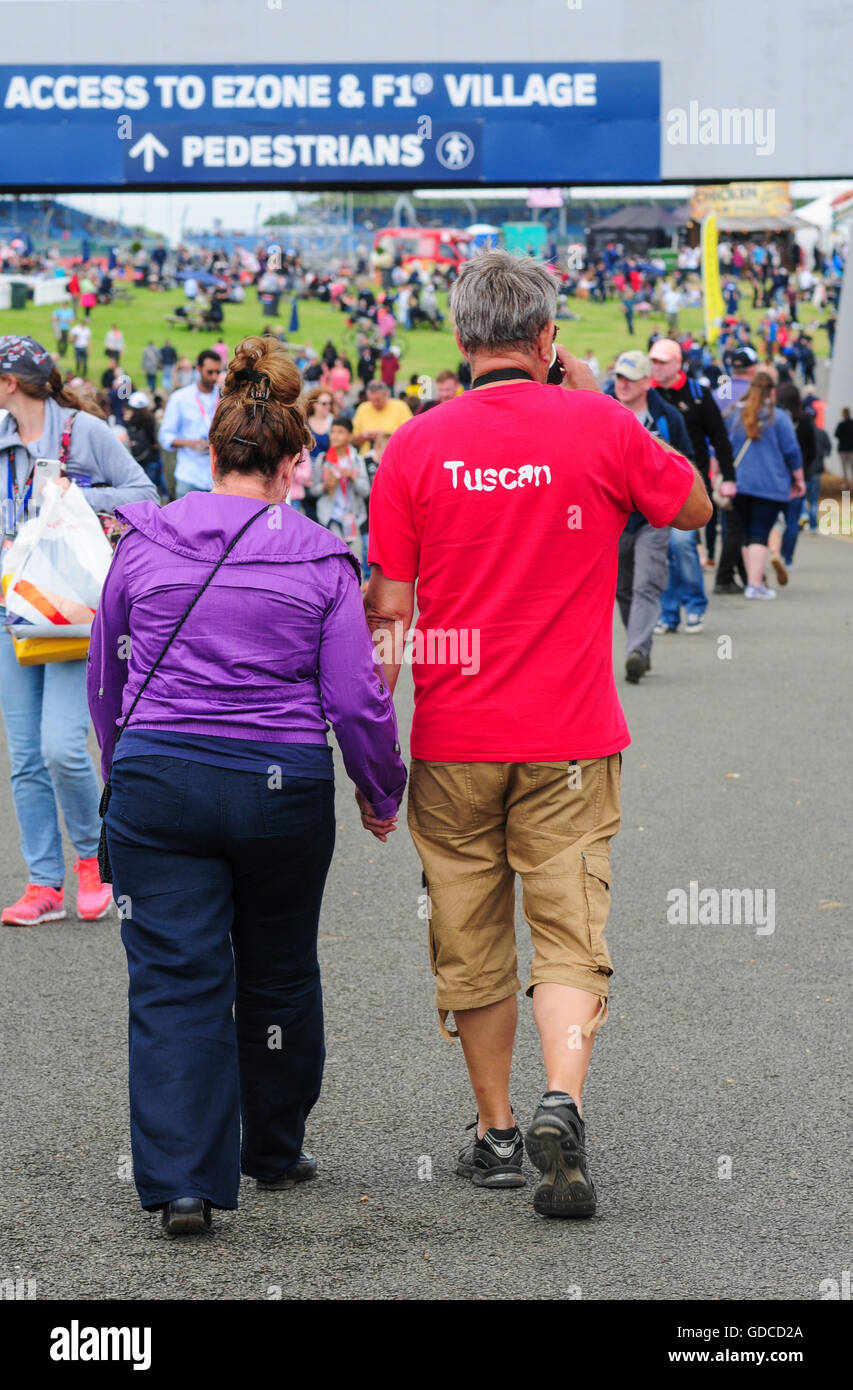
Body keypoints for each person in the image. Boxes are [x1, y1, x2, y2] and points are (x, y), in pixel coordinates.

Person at [365, 251, 709, 1218]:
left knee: (470, 938)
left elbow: (388, 610)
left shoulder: (413, 446)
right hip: (566, 735)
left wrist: (369, 755)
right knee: (568, 934)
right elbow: (690, 505)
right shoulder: (598, 423)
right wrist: (607, 412)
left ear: (462, 340)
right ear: (547, 339)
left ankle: (498, 1134)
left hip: (452, 737)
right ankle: (564, 1100)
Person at [87, 334, 406, 1235]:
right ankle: (271, 1145)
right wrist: (380, 791)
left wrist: (124, 769)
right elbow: (354, 695)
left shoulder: (142, 539)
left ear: (211, 450)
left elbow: (106, 675)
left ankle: (183, 1180)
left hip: (158, 776)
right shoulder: (319, 555)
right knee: (276, 970)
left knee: (172, 978)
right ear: (295, 461)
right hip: (278, 787)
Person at [0, 335, 157, 928]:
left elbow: (145, 494)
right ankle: (44, 882)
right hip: (10, 610)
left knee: (62, 745)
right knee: (24, 759)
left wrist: (80, 499)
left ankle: (93, 861)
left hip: (70, 609)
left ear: (12, 381)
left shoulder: (82, 433)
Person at [607, 351, 694, 684]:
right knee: (624, 588)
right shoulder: (604, 410)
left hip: (654, 517)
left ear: (646, 382)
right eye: (618, 377)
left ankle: (637, 652)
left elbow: (687, 460)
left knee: (646, 583)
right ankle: (640, 645)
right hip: (614, 518)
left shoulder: (667, 416)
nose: (622, 384)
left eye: (629, 378)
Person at [649, 338, 735, 633]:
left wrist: (729, 477)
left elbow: (720, 438)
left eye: (661, 362)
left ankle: (695, 604)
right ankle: (669, 612)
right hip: (652, 485)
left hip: (690, 483)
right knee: (663, 548)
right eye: (653, 361)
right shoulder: (646, 394)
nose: (656, 368)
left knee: (683, 544)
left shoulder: (699, 394)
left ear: (677, 364)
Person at [722, 370, 805, 600]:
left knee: (748, 535)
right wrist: (798, 478)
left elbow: (722, 447)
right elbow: (792, 451)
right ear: (772, 391)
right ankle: (755, 584)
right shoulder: (778, 417)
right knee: (760, 533)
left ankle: (752, 580)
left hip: (740, 483)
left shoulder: (735, 415)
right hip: (770, 484)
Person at [157, 349, 221, 498]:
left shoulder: (224, 397)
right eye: (209, 372)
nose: (214, 377)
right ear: (198, 369)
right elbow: (165, 436)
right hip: (190, 476)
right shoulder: (180, 398)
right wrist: (190, 443)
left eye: (217, 372)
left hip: (218, 479)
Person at [310, 415, 370, 558]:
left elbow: (366, 491)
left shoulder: (357, 460)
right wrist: (325, 486)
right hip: (331, 517)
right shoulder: (323, 459)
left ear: (350, 436)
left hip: (353, 518)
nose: (335, 436)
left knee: (355, 559)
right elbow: (313, 490)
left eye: (340, 432)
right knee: (335, 557)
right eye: (333, 431)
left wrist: (352, 477)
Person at [775, 382, 816, 571]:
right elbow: (813, 450)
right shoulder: (805, 421)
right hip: (799, 476)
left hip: (776, 476)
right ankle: (787, 557)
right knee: (792, 521)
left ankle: (773, 550)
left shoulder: (774, 419)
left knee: (773, 518)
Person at [351, 380, 411, 454]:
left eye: (378, 400)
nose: (375, 404)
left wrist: (385, 436)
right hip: (368, 457)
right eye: (371, 400)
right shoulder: (363, 408)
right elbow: (353, 439)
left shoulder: (400, 406)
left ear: (387, 394)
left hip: (393, 454)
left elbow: (410, 435)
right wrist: (363, 436)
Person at [834, 407, 853, 485]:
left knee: (844, 468)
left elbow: (836, 434)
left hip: (843, 449)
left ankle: (846, 486)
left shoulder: (841, 424)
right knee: (852, 468)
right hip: (851, 449)